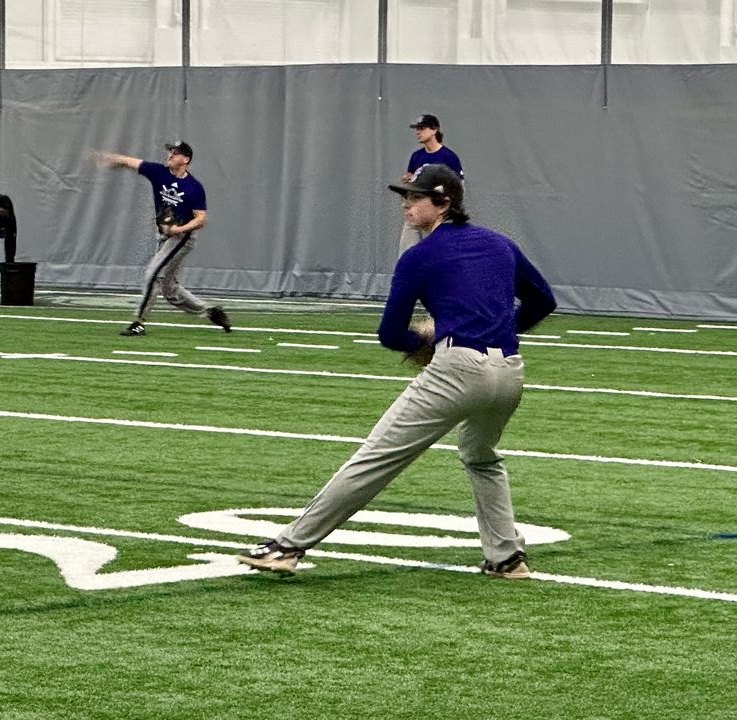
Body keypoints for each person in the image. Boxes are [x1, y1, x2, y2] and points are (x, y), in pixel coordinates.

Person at [236, 163, 556, 580]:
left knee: (375, 458)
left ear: (444, 203)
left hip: (457, 369)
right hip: (509, 371)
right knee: (481, 458)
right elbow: (543, 300)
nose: (406, 205)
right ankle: (507, 558)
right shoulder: (499, 244)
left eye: (415, 197)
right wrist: (500, 330)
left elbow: (389, 333)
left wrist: (421, 343)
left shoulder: (419, 256)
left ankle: (287, 547)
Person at [93, 141, 231, 336]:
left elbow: (201, 218)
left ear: (185, 159)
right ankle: (210, 312)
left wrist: (179, 229)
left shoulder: (193, 187)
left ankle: (138, 322)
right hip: (165, 235)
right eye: (170, 152)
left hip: (182, 237)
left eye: (175, 153)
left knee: (152, 273)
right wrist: (111, 159)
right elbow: (130, 162)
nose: (170, 155)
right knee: (169, 290)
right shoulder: (159, 172)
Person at [398, 114, 464, 252]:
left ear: (434, 130)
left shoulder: (449, 157)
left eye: (422, 128)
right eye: (417, 129)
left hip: (440, 208)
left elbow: (459, 187)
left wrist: (451, 209)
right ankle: (410, 267)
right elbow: (414, 180)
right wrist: (409, 179)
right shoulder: (416, 156)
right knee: (410, 230)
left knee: (442, 240)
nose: (418, 132)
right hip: (420, 205)